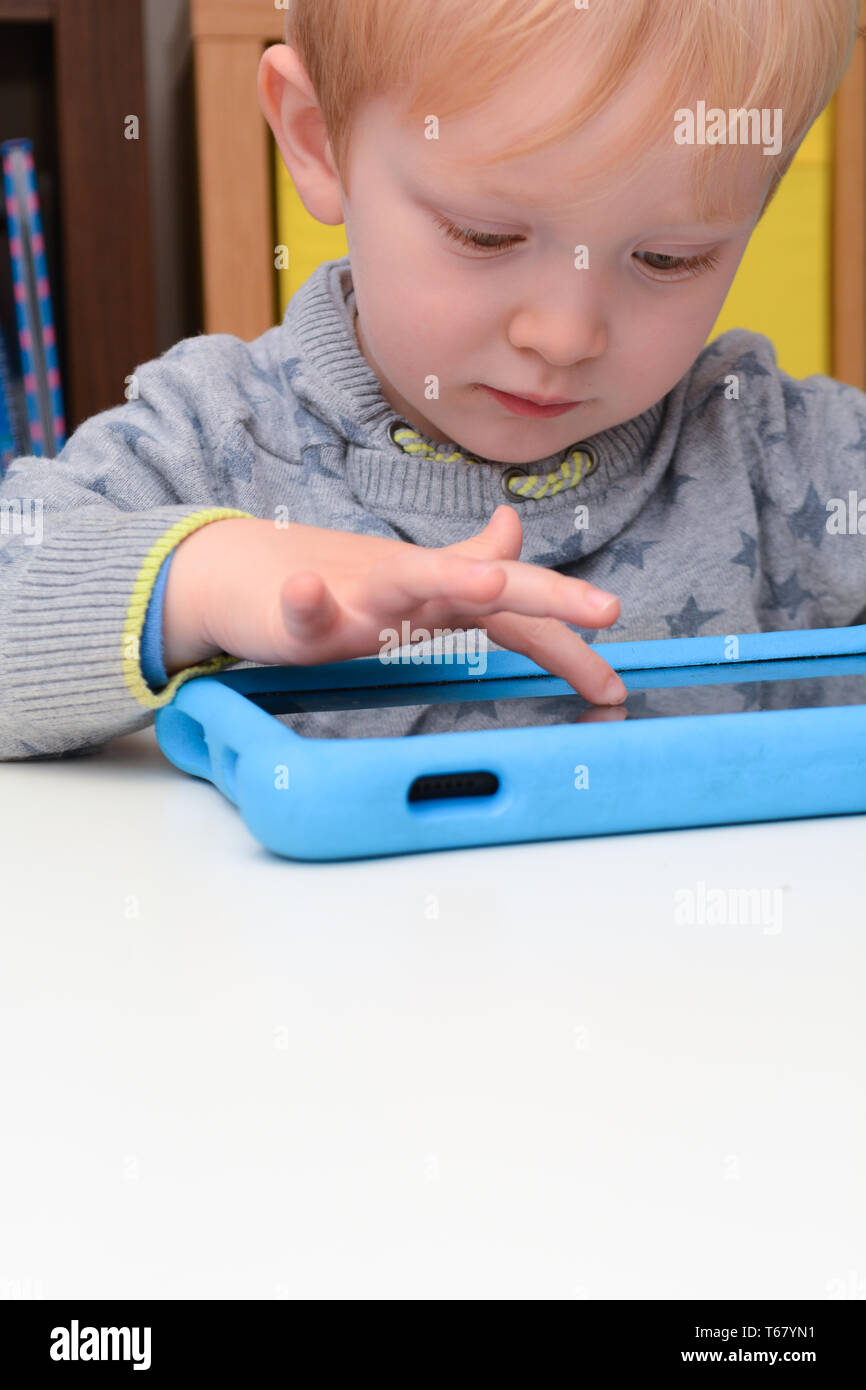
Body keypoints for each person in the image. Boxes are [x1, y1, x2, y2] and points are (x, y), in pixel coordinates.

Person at [1, 0, 863, 760]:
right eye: (486, 236)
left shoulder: (774, 450)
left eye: (668, 258)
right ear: (317, 140)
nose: (563, 336)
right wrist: (216, 578)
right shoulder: (215, 435)